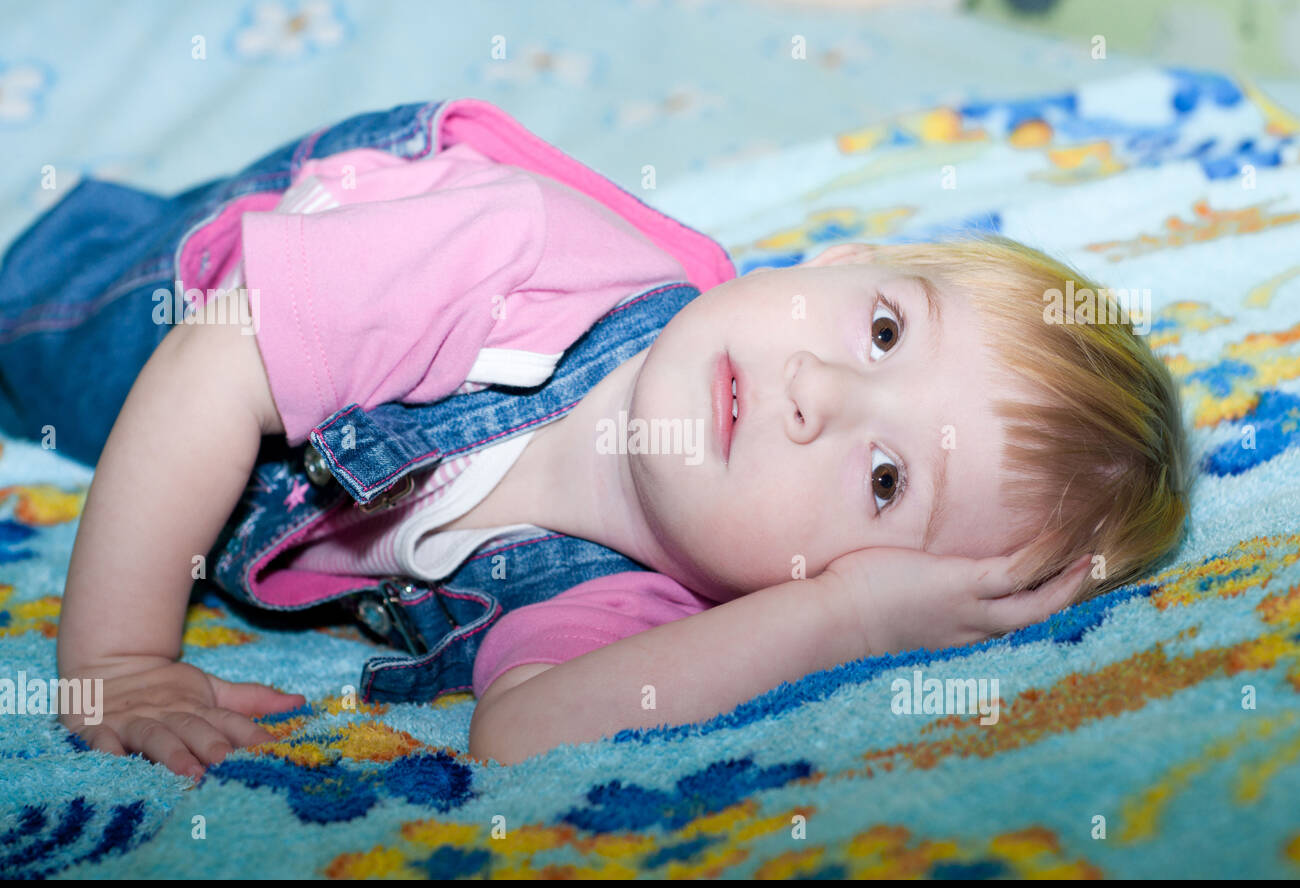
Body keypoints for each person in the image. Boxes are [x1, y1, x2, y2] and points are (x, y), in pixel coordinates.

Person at [0, 98, 1189, 773]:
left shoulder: (642, 608)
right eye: (879, 331)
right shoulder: (521, 259)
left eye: (884, 481)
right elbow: (218, 362)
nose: (817, 393)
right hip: (241, 283)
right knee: (38, 334)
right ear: (839, 262)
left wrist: (846, 623)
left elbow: (523, 733)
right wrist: (116, 661)